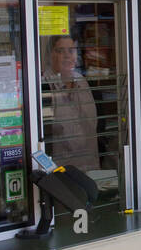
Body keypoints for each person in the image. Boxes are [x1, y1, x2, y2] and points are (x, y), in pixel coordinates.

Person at [41, 34, 100, 172]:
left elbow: (92, 123)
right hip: (59, 169)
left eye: (71, 50)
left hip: (88, 165)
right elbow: (47, 130)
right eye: (60, 51)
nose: (67, 56)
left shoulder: (81, 81)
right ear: (50, 55)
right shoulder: (44, 85)